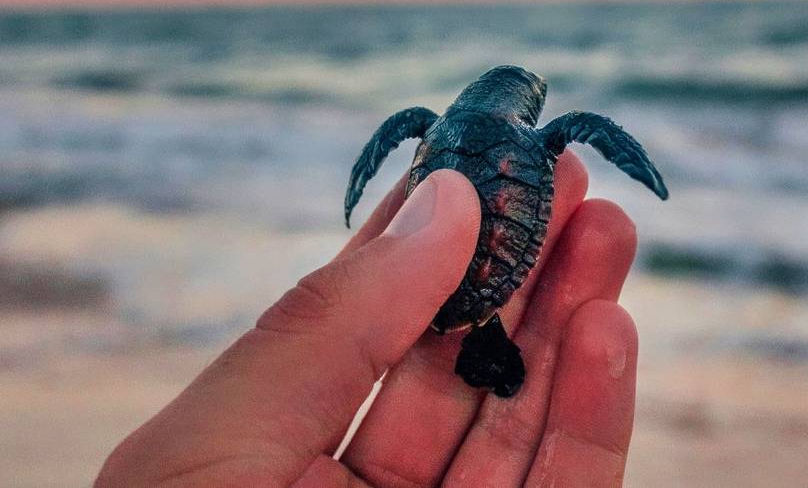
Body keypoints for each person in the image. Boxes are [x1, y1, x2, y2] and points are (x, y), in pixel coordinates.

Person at [96, 152, 639, 487]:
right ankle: (484, 338)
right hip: (488, 276)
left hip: (426, 283)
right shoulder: (540, 141)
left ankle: (478, 340)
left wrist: (362, 188)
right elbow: (590, 132)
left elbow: (394, 135)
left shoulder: (435, 126)